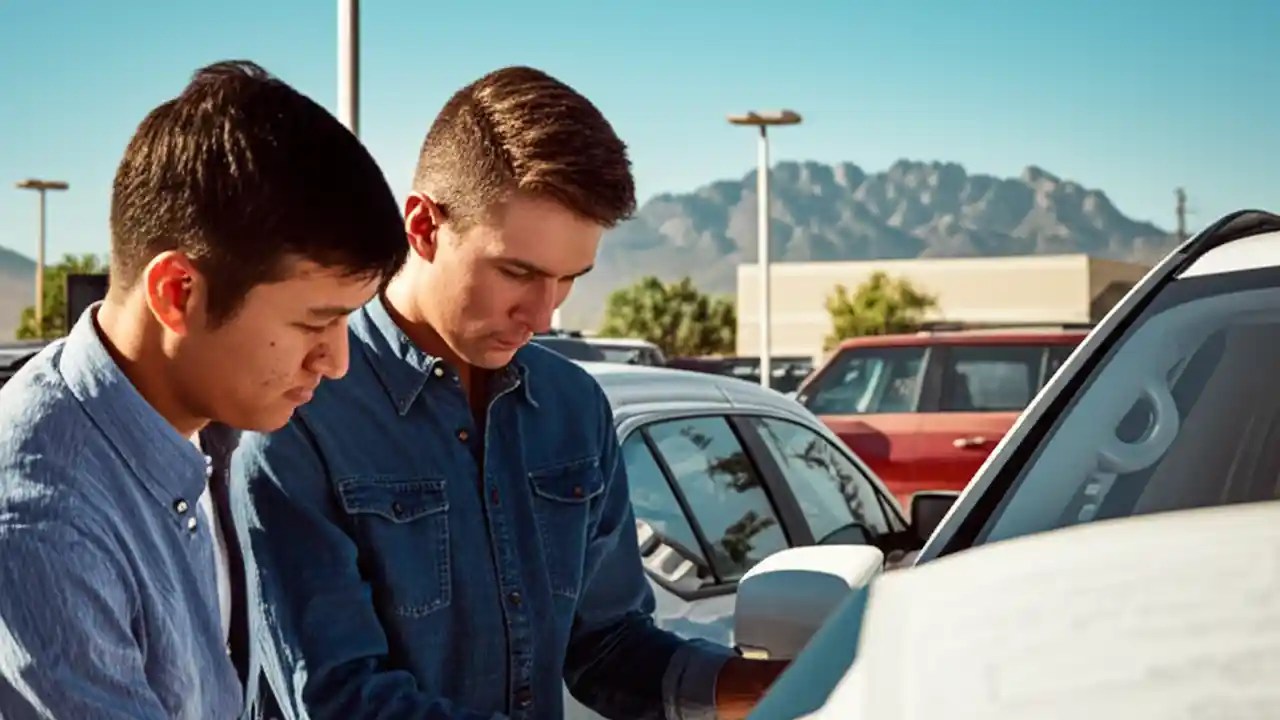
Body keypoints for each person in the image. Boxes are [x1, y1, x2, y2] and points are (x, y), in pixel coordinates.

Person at [232, 65, 789, 719]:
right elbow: (338, 699)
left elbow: (607, 647)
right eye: (517, 272)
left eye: (569, 279)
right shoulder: (296, 409)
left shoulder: (575, 409)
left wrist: (765, 686)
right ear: (422, 226)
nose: (544, 316)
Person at [0, 60, 406, 719]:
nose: (336, 363)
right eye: (315, 322)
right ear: (177, 293)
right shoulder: (47, 523)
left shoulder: (212, 434)